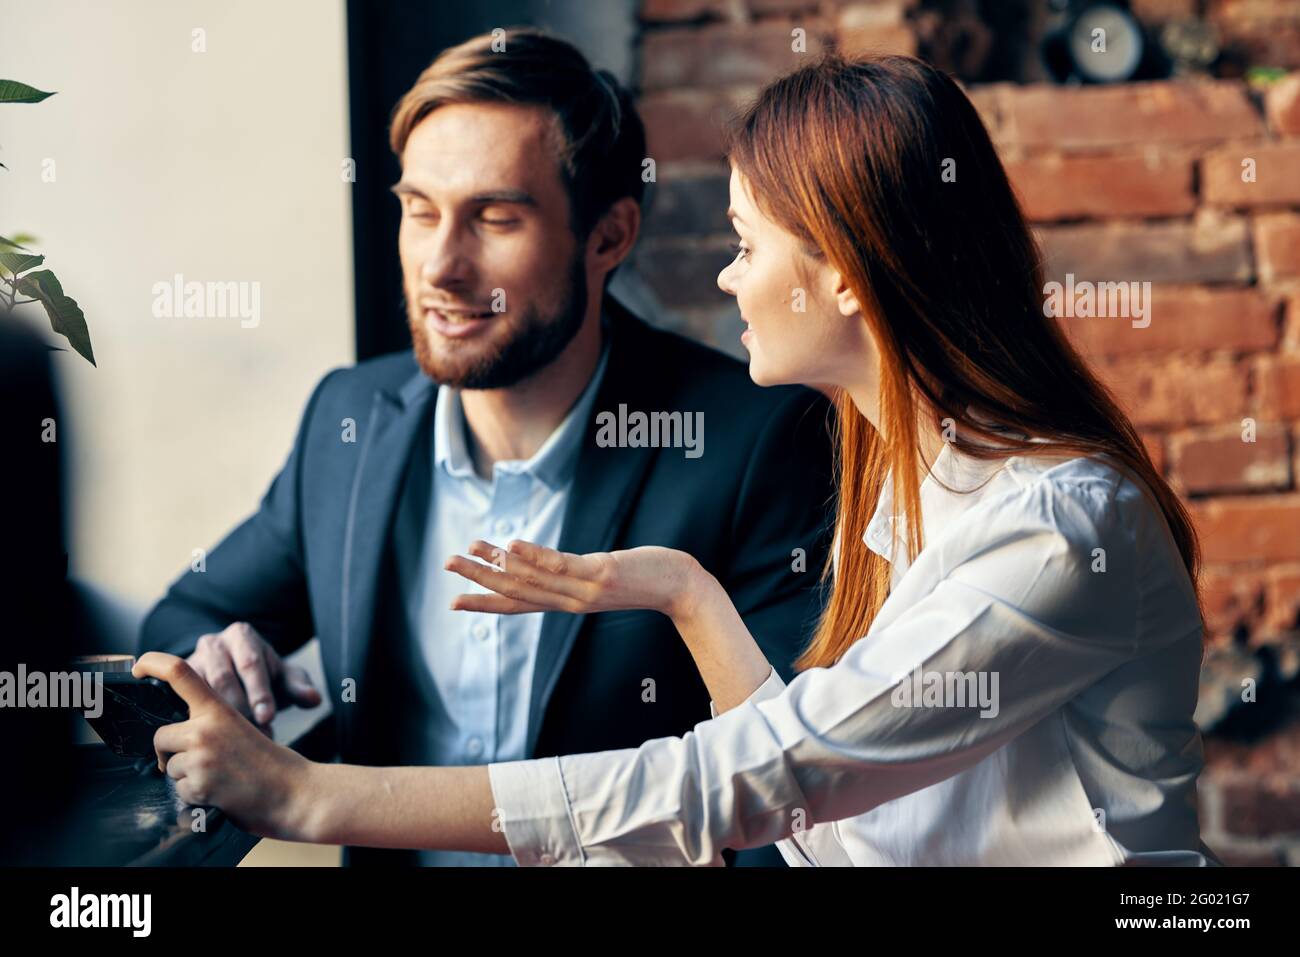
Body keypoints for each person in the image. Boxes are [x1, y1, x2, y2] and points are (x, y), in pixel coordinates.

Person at [135, 52, 1218, 866]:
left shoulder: (1055, 526)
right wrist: (689, 596)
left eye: (747, 248)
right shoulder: (911, 500)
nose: (723, 282)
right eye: (417, 212)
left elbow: (749, 784)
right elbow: (820, 822)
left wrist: (310, 798)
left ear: (844, 274)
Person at [135, 28, 833, 867]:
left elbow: (797, 796)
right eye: (419, 210)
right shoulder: (348, 419)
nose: (441, 265)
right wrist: (223, 656)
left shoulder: (755, 441)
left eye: (495, 218)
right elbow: (185, 613)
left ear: (608, 237)